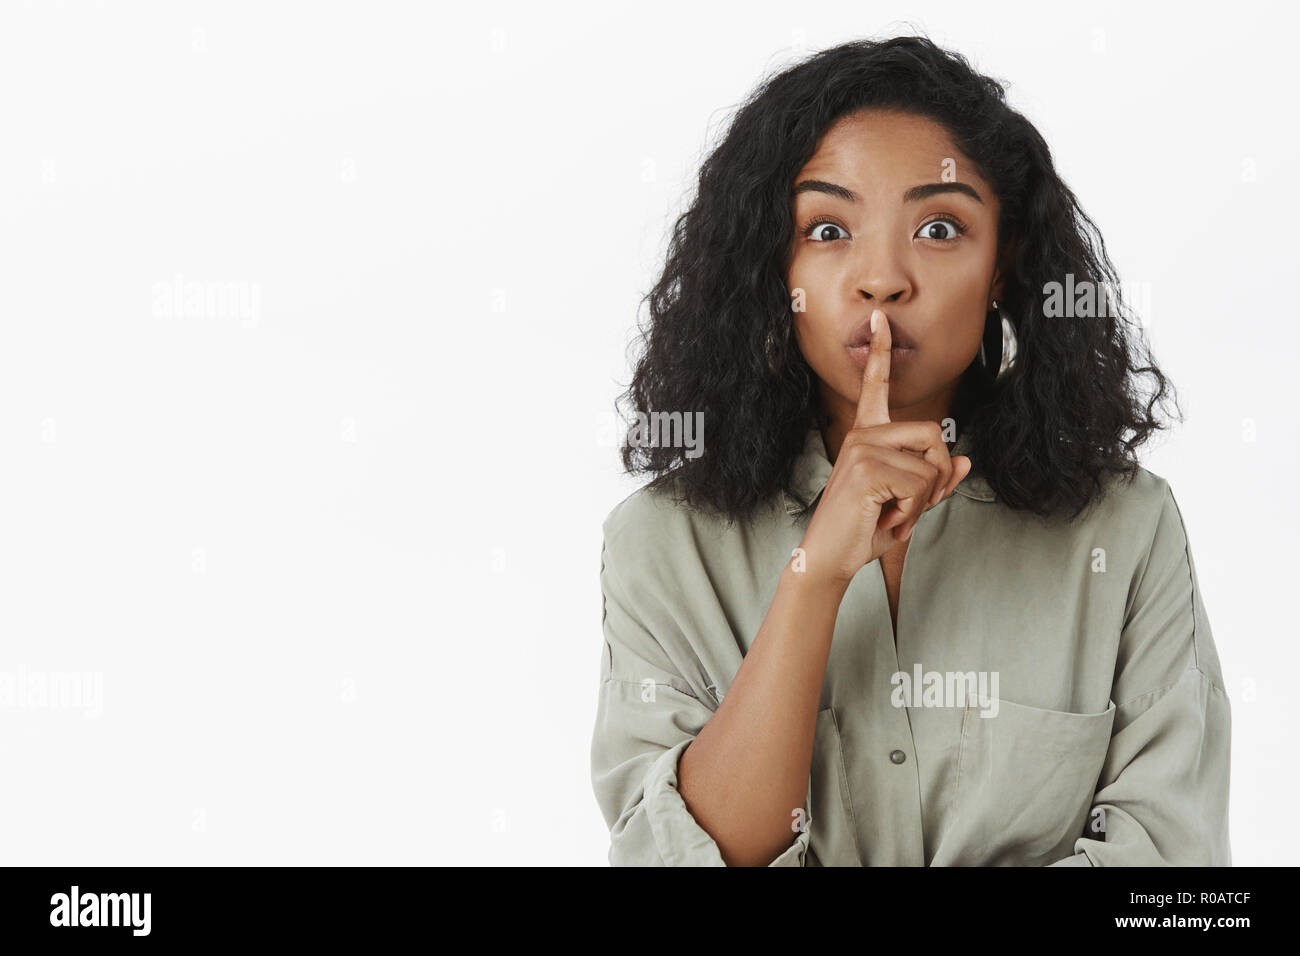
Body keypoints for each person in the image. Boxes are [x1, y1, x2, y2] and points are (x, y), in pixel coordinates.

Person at [589, 35, 1230, 866]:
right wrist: (814, 577)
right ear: (769, 266)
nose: (882, 278)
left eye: (938, 226)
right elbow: (678, 855)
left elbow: (1174, 879)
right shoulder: (658, 544)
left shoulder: (1127, 530)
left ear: (1003, 266)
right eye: (826, 228)